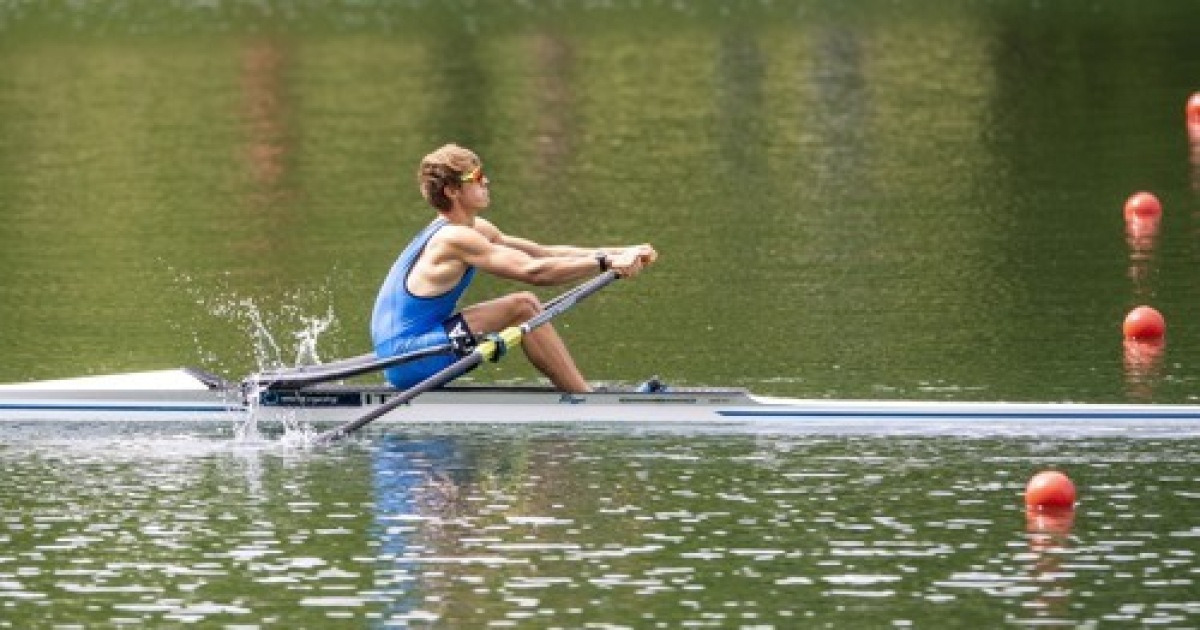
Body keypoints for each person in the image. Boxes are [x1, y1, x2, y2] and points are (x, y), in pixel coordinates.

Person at [371, 143, 657, 393]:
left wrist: (621, 251)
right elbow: (534, 271)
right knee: (523, 305)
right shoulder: (453, 239)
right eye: (477, 178)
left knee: (524, 305)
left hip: (408, 349)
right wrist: (604, 263)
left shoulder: (473, 228)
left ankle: (580, 392)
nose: (487, 181)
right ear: (452, 191)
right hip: (407, 358)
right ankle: (585, 397)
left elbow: (541, 253)